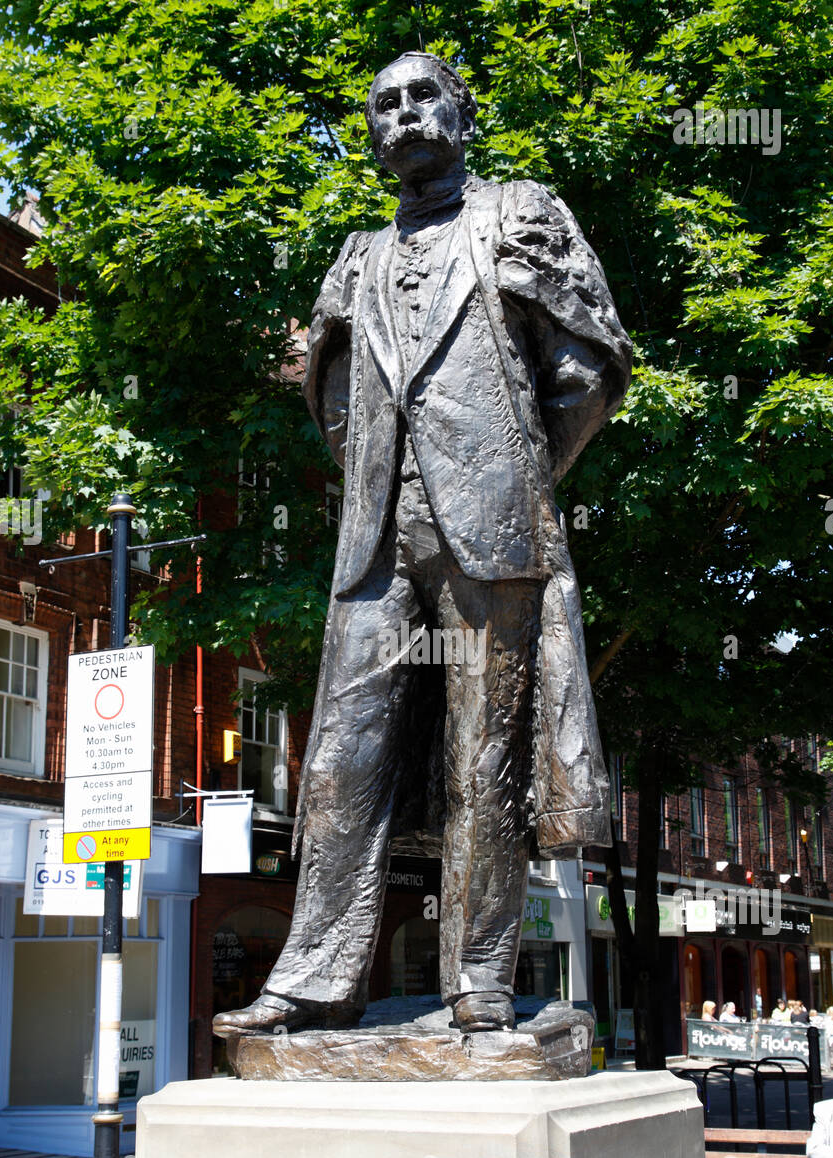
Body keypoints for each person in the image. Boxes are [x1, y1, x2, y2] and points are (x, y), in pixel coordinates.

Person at [213, 51, 632, 1039]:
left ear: (460, 109)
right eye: (382, 103)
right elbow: (332, 398)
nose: (401, 114)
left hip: (490, 530)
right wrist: (374, 469)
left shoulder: (520, 212)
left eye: (419, 96)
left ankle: (477, 979)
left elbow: (589, 367)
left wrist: (516, 470)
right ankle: (313, 976)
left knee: (481, 759)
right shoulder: (355, 255)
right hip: (374, 540)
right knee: (337, 757)